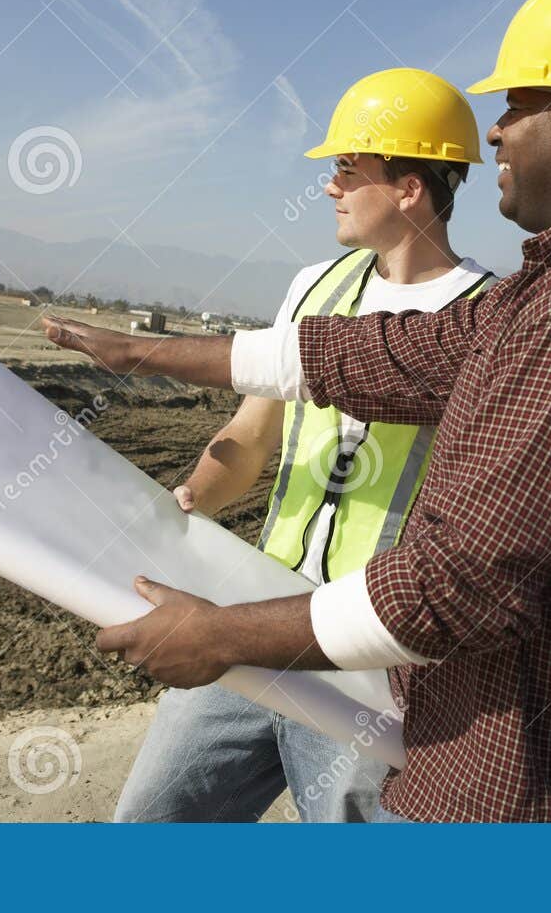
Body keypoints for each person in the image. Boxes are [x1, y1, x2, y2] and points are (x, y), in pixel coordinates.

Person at [42, 0, 551, 822]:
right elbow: (384, 355)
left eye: (517, 105)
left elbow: (466, 579)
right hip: (398, 695)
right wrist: (143, 351)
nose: (497, 131)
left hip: (495, 787)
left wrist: (221, 633)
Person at [109, 67, 492, 823]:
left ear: (410, 186)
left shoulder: (489, 318)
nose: (330, 185)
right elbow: (250, 436)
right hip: (252, 618)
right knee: (150, 822)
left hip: (368, 662)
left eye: (349, 166)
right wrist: (187, 499)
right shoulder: (314, 288)